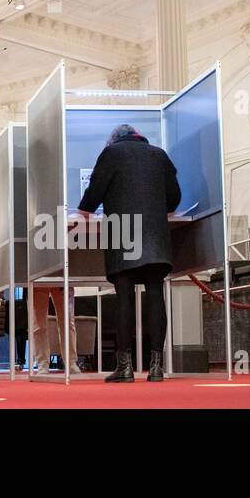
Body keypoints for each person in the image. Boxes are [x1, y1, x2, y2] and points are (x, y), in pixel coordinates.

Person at [77, 124, 181, 383]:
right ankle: (156, 368)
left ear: (113, 140)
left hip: (123, 234)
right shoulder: (159, 155)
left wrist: (84, 209)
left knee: (124, 298)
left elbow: (94, 193)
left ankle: (125, 368)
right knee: (155, 295)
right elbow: (174, 198)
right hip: (155, 235)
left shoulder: (111, 153)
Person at [29, 286, 81, 373]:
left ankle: (71, 363)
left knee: (68, 322)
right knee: (38, 324)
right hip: (38, 281)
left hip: (62, 281)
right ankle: (42, 364)